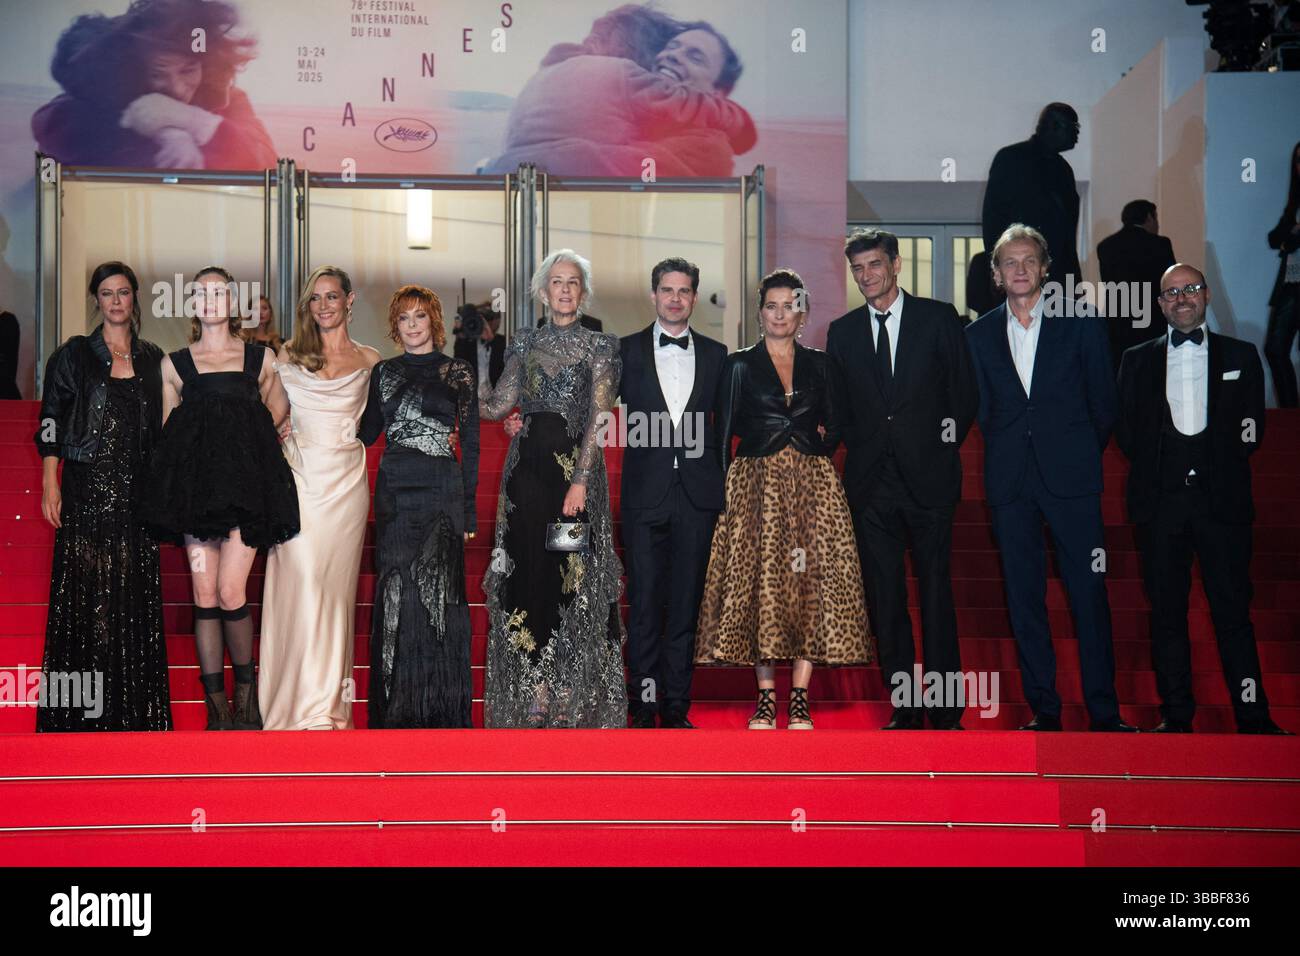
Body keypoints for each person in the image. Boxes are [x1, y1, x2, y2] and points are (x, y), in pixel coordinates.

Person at [965, 225, 1135, 732]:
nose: (1019, 269)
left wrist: (1077, 451)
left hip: (1072, 480)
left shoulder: (1081, 322)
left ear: (1045, 268)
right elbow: (981, 409)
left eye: (1028, 260)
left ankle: (1104, 711)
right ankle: (1046, 709)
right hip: (1010, 483)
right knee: (1024, 598)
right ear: (996, 275)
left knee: (1089, 595)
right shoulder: (976, 335)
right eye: (1009, 263)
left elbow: (1104, 403)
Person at [1116, 264, 1291, 734]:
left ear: (1207, 295)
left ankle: (1253, 716)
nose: (1182, 298)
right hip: (1161, 505)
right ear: (1160, 304)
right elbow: (1128, 432)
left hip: (1223, 505)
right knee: (1168, 612)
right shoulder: (1136, 360)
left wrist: (1212, 463)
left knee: (1233, 612)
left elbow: (1253, 430)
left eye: (1190, 289)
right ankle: (1176, 715)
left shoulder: (1243, 355)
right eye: (1171, 293)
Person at [697, 269, 873, 730]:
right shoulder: (737, 365)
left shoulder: (822, 363)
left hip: (813, 485)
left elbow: (839, 421)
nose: (780, 314)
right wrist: (722, 493)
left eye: (789, 305)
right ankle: (765, 697)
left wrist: (816, 446)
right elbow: (721, 433)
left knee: (809, 585)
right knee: (763, 585)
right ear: (760, 314)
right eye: (771, 306)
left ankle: (799, 697)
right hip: (755, 484)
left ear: (803, 312)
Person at [826, 230, 978, 730]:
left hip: (930, 482)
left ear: (895, 265)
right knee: (886, 600)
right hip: (871, 487)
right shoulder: (842, 332)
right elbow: (840, 410)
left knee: (937, 595)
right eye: (858, 270)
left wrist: (937, 448)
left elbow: (963, 395)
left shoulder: (938, 319)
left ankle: (947, 708)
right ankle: (906, 706)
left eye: (874, 265)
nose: (867, 276)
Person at [139, 265, 298, 730]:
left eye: (219, 292)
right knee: (204, 592)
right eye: (201, 292)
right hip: (197, 496)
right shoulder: (174, 365)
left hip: (247, 494)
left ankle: (246, 700)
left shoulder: (260, 359)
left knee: (231, 591)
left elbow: (277, 411)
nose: (210, 299)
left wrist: (261, 435)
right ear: (192, 303)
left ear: (233, 302)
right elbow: (172, 436)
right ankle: (218, 711)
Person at [479, 249, 626, 728]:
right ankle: (537, 687)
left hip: (573, 482)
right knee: (531, 576)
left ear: (582, 293)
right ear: (543, 291)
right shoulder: (522, 342)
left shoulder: (600, 347)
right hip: (526, 479)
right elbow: (499, 405)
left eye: (573, 282)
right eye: (556, 282)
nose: (564, 290)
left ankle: (569, 688)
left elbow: (600, 418)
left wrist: (580, 480)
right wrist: (463, 370)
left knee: (571, 573)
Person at [34, 261, 169, 730]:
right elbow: (51, 418)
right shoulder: (73, 355)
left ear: (135, 299)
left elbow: (167, 427)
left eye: (124, 292)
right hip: (87, 486)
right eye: (107, 293)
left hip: (138, 490)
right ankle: (76, 715)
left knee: (132, 593)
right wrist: (51, 481)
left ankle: (130, 713)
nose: (115, 301)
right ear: (96, 299)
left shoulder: (155, 358)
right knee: (85, 595)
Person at [259, 265, 381, 731]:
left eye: (332, 297)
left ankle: (327, 708)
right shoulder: (288, 355)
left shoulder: (372, 361)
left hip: (347, 488)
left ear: (349, 301)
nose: (324, 306)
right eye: (316, 299)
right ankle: (292, 704)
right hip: (300, 481)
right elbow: (270, 417)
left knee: (334, 594)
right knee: (301, 582)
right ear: (308, 306)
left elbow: (386, 419)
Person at [359, 286, 478, 728]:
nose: (412, 325)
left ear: (434, 323)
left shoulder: (458, 372)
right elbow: (366, 431)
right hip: (395, 491)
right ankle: (397, 708)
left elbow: (471, 442)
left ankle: (441, 708)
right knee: (396, 591)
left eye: (420, 317)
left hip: (441, 490)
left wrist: (468, 509)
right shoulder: (384, 373)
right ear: (395, 326)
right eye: (404, 318)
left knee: (441, 593)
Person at [619, 258, 727, 727]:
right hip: (645, 495)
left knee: (685, 604)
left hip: (698, 497)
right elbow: (587, 408)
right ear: (653, 295)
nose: (675, 298)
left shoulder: (719, 354)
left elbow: (728, 425)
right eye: (667, 290)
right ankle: (643, 706)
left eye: (684, 291)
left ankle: (677, 707)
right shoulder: (623, 351)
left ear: (695, 298)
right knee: (643, 604)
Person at [484, 4, 755, 177]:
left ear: (719, 91)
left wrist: (501, 166)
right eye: (671, 47)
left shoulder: (705, 146)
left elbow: (593, 169)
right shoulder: (625, 87)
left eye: (696, 57)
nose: (673, 56)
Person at [32, 0, 276, 170]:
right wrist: (168, 134)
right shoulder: (106, 92)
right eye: (158, 73)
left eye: (189, 69)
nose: (177, 88)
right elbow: (51, 123)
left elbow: (266, 162)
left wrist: (192, 120)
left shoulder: (231, 100)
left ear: (207, 64)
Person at [982, 103, 1082, 291]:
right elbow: (993, 219)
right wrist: (1001, 271)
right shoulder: (1011, 159)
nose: (1077, 135)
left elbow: (1067, 234)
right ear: (1054, 126)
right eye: (1074, 127)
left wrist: (1072, 278)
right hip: (1021, 274)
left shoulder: (1063, 169)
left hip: (1058, 278)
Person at [1096, 199, 1177, 368]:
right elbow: (1170, 284)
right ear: (1149, 217)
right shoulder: (1160, 244)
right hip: (1152, 321)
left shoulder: (1106, 246)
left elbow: (1108, 282)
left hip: (1118, 321)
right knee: (1152, 373)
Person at [1264, 140, 1300, 407]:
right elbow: (1275, 239)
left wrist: (1292, 237)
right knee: (1275, 348)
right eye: (1298, 161)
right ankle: (1290, 413)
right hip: (1290, 283)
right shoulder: (1294, 204)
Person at [452, 301, 506, 396]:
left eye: (490, 318)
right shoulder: (466, 343)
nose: (487, 322)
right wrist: (460, 331)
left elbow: (505, 369)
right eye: (482, 318)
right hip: (473, 399)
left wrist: (491, 339)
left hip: (497, 399)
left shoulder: (502, 343)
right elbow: (458, 367)